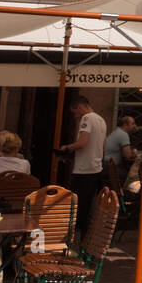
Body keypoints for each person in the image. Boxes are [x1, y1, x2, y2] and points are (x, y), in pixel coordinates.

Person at [60, 95, 107, 233]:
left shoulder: (87, 118)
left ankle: (75, 236)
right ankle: (85, 238)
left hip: (83, 170)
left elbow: (82, 143)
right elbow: (102, 147)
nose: (74, 116)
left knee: (76, 206)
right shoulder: (101, 120)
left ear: (80, 106)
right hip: (96, 168)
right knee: (87, 206)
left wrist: (66, 148)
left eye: (74, 112)